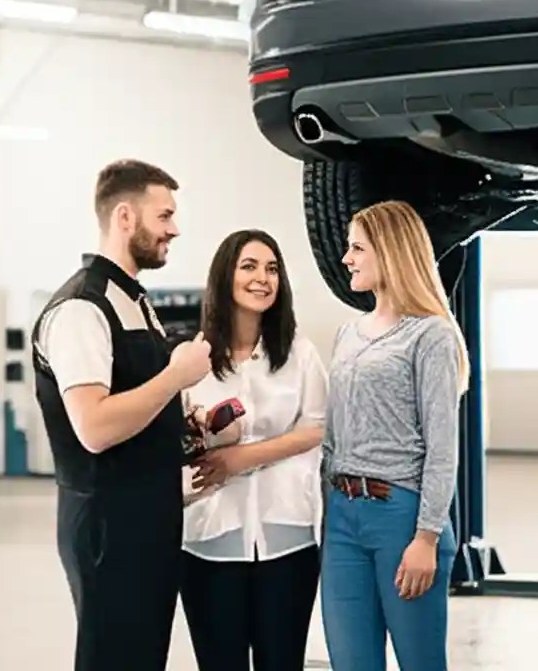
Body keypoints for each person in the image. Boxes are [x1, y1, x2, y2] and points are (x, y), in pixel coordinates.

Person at [30, 158, 212, 671]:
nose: (174, 229)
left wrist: (185, 425)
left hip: (146, 517)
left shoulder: (133, 299)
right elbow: (95, 426)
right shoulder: (82, 309)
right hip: (110, 526)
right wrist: (176, 376)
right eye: (165, 215)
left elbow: (138, 400)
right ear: (126, 217)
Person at [320, 199, 469, 671]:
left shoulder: (431, 335)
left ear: (391, 252)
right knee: (351, 663)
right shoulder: (347, 333)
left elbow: (443, 446)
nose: (347, 258)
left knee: (420, 663)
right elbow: (333, 432)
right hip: (342, 517)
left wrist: (426, 537)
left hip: (402, 518)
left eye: (357, 247)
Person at [178, 229, 328, 671]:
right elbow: (177, 438)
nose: (263, 278)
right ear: (225, 276)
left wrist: (241, 457)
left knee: (281, 663)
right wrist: (198, 434)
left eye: (272, 268)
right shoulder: (193, 358)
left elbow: (317, 427)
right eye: (249, 266)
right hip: (209, 540)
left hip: (287, 539)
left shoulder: (299, 354)